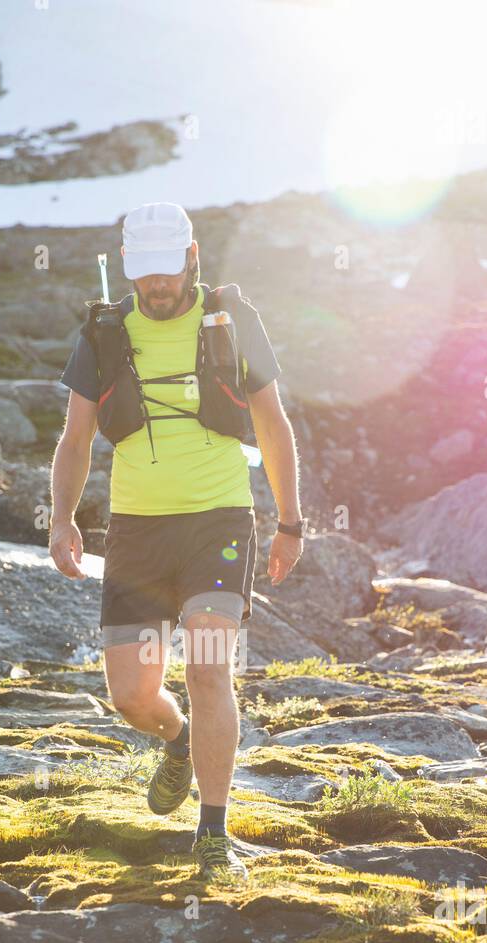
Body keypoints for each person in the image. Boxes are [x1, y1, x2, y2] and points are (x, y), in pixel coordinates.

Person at [50, 202, 305, 879]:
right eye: (145, 274)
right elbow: (75, 439)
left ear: (192, 258)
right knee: (132, 695)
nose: (157, 286)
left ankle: (213, 834)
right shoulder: (104, 334)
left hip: (218, 525)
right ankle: (178, 739)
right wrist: (62, 518)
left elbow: (273, 425)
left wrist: (290, 522)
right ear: (130, 269)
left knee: (207, 664)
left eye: (167, 271)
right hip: (134, 532)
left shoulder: (232, 321)